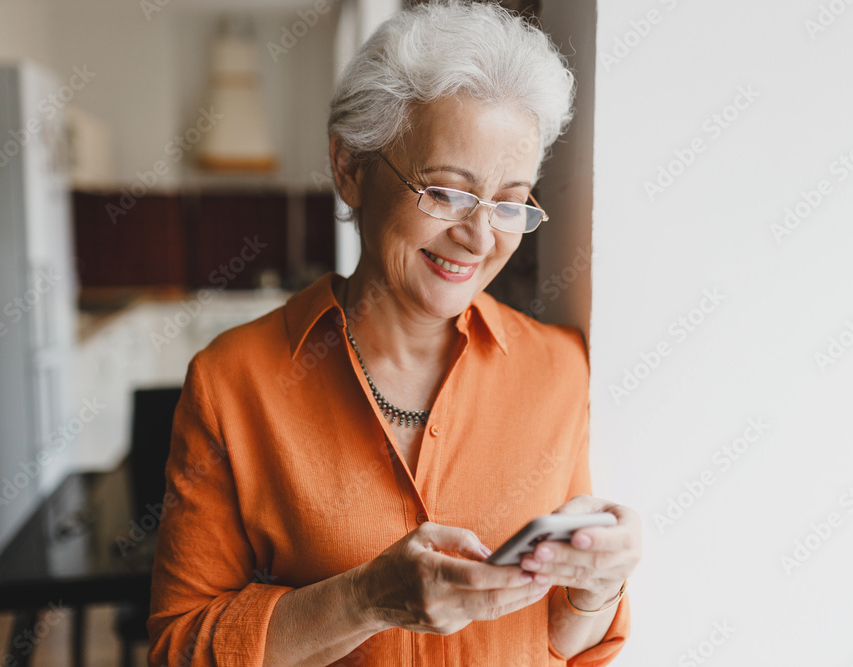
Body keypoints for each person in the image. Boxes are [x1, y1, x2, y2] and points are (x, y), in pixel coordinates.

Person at [147, 1, 641, 665]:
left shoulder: (558, 368)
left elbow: (564, 644)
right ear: (350, 166)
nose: (478, 236)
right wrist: (365, 599)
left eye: (510, 202)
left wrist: (596, 587)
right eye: (445, 192)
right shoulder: (233, 382)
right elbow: (179, 648)